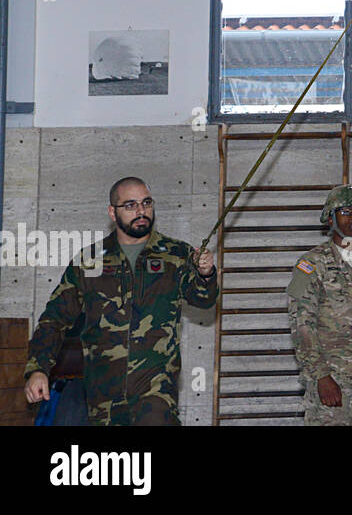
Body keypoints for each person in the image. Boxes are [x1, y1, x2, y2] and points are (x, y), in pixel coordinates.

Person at [24, 176, 219, 425]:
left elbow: (203, 300)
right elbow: (54, 319)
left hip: (155, 394)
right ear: (112, 213)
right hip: (103, 397)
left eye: (146, 203)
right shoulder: (89, 261)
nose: (141, 211)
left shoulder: (176, 254)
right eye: (130, 205)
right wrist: (38, 369)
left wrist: (206, 274)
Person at [287, 185, 352, 426]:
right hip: (331, 383)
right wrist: (321, 377)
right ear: (331, 218)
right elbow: (302, 326)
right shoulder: (311, 264)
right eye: (345, 212)